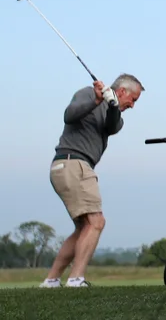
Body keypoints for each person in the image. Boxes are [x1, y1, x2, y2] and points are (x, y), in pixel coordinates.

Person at [39, 73, 143, 287]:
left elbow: (112, 127)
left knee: (83, 228)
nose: (132, 106)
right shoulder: (87, 94)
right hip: (73, 163)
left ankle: (51, 280)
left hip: (71, 166)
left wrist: (113, 105)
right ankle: (76, 279)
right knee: (96, 222)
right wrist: (96, 100)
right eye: (132, 100)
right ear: (122, 91)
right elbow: (69, 115)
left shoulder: (115, 113)